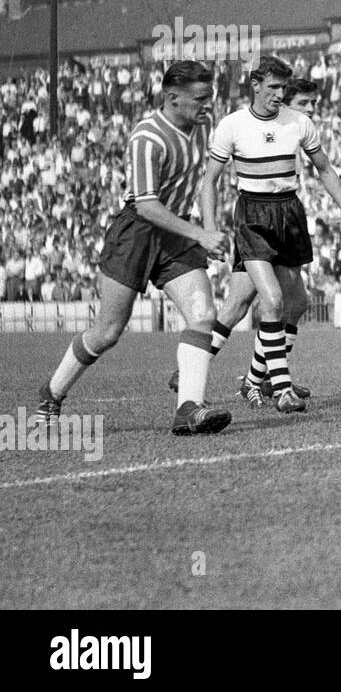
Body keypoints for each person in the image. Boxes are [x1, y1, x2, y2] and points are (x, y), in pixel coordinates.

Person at [33, 61, 231, 436]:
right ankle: (52, 393)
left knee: (203, 315)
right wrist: (200, 234)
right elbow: (145, 205)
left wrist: (207, 229)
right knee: (107, 333)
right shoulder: (147, 137)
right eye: (200, 98)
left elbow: (206, 182)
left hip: (176, 235)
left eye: (211, 96)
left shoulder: (202, 128)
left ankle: (188, 409)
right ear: (172, 99)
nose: (208, 105)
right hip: (136, 233)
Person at [200, 58, 341, 413]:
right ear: (255, 84)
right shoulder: (232, 125)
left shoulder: (299, 123)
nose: (278, 94)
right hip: (253, 216)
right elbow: (208, 181)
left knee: (284, 302)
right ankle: (281, 387)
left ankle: (235, 376)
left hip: (289, 213)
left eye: (282, 89)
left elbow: (325, 169)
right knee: (270, 300)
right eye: (272, 87)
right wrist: (209, 229)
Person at [166, 77, 321, 400]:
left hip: (276, 222)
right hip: (258, 224)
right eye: (303, 103)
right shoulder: (269, 124)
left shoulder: (294, 129)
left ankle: (225, 372)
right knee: (278, 302)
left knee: (244, 304)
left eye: (312, 104)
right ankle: (260, 380)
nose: (309, 110)